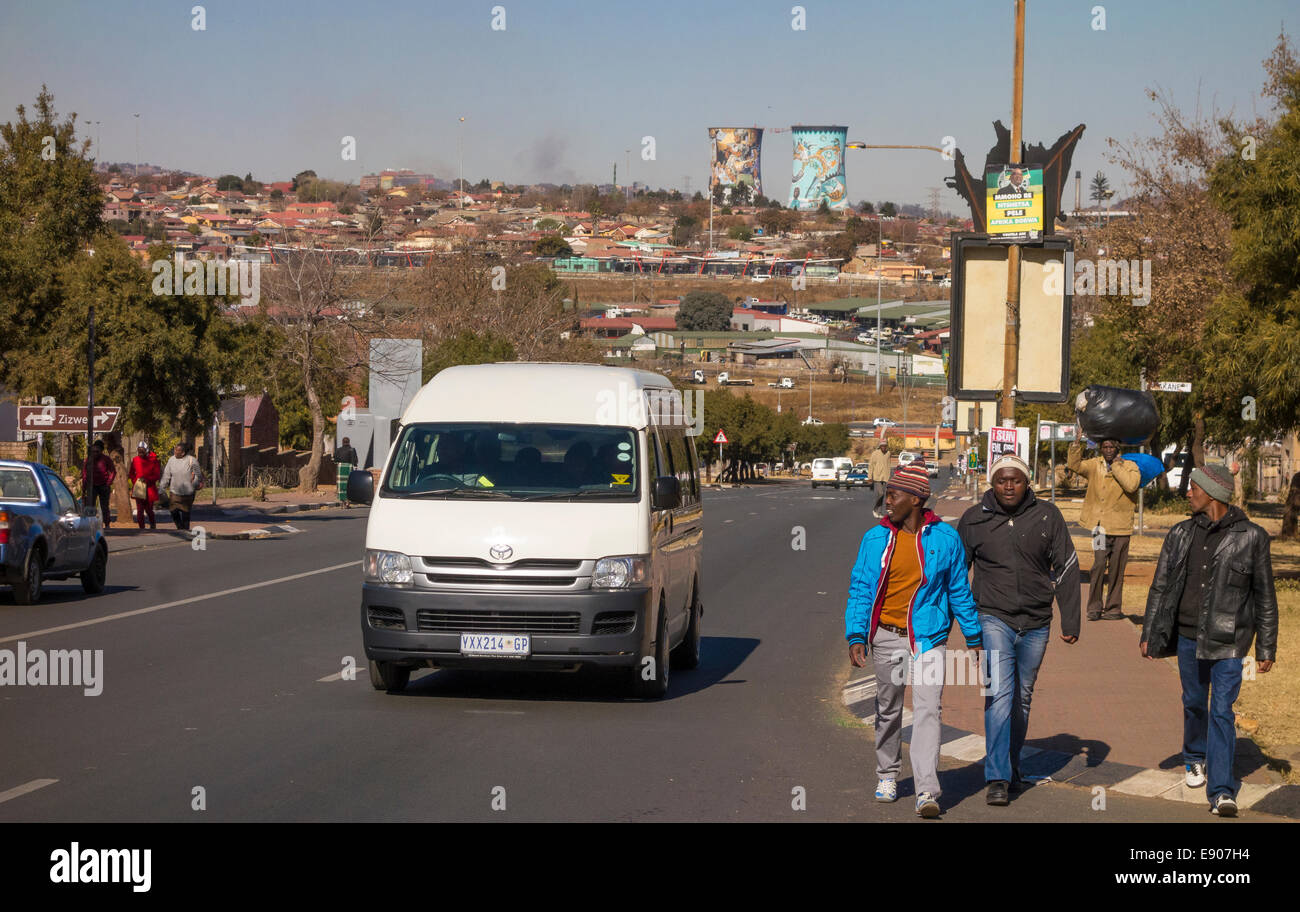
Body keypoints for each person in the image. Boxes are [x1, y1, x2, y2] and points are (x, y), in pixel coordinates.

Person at [1140, 464, 1278, 817]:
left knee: (1221, 710)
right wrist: (1150, 633)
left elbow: (1265, 595)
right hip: (1188, 637)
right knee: (1195, 703)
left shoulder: (1253, 536)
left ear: (1213, 493)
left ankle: (1221, 792)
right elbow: (1161, 585)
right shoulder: (1180, 533)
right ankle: (1194, 756)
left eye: (1193, 488)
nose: (1188, 492)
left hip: (1231, 641)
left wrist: (1266, 647)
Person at [846, 464, 983, 818]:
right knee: (888, 709)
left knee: (927, 710)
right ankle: (887, 774)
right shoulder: (874, 538)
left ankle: (926, 789)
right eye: (888, 493)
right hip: (888, 637)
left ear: (916, 499)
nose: (886, 500)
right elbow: (861, 589)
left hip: (928, 639)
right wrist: (857, 634)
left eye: (894, 494)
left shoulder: (945, 539)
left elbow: (958, 590)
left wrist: (973, 635)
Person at [957, 454, 1080, 806]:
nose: (1008, 486)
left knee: (1022, 699)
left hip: (1037, 623)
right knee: (999, 696)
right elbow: (955, 575)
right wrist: (963, 625)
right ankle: (997, 777)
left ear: (1027, 483)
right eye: (1001, 480)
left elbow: (1067, 567)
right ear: (992, 483)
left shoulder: (1047, 516)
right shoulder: (973, 520)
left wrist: (1070, 620)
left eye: (1016, 480)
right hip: (993, 618)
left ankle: (1011, 765)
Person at [1067, 435, 1140, 620]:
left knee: (1116, 569)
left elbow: (1131, 486)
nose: (1108, 450)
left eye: (1111, 447)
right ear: (1101, 448)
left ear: (1117, 448)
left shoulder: (1130, 466)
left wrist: (1116, 466)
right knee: (1099, 565)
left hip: (1121, 528)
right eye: (1105, 447)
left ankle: (1113, 608)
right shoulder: (1094, 465)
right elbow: (1075, 466)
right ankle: (1094, 607)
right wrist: (1076, 445)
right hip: (1100, 528)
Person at [160, 443, 204, 531]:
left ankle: (185, 531)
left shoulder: (192, 460)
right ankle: (180, 528)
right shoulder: (171, 460)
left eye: (177, 450)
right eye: (175, 450)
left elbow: (199, 476)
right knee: (173, 511)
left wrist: (193, 485)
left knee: (185, 514)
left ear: (183, 453)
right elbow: (166, 475)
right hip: (174, 492)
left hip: (187, 493)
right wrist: (162, 488)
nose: (175, 452)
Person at [81, 439, 117, 528]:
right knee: (91, 506)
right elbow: (85, 473)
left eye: (97, 451)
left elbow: (113, 471)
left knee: (104, 506)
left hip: (104, 485)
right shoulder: (89, 459)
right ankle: (90, 524)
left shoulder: (106, 459)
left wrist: (108, 483)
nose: (95, 453)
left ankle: (107, 524)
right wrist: (84, 488)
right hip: (92, 486)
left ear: (101, 451)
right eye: (93, 451)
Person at [128, 441, 162, 530]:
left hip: (149, 489)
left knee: (149, 509)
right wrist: (136, 481)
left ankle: (152, 524)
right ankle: (141, 528)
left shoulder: (154, 460)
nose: (140, 453)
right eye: (139, 451)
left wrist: (147, 480)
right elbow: (131, 473)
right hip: (139, 488)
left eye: (142, 451)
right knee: (140, 510)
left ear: (146, 451)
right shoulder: (135, 460)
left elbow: (157, 475)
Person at [868, 440, 890, 518]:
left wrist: (889, 476)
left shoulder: (888, 453)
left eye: (885, 446)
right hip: (877, 477)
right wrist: (870, 477)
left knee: (883, 495)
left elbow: (888, 465)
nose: (884, 447)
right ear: (880, 446)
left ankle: (879, 512)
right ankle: (875, 509)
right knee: (880, 493)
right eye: (882, 446)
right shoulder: (875, 454)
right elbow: (871, 465)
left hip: (885, 477)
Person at [334, 436, 358, 505]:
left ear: (342, 442)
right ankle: (347, 501)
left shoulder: (338, 450)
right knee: (348, 484)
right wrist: (355, 466)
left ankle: (342, 500)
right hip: (349, 467)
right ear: (349, 442)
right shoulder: (352, 449)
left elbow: (335, 460)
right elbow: (355, 460)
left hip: (340, 468)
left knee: (341, 485)